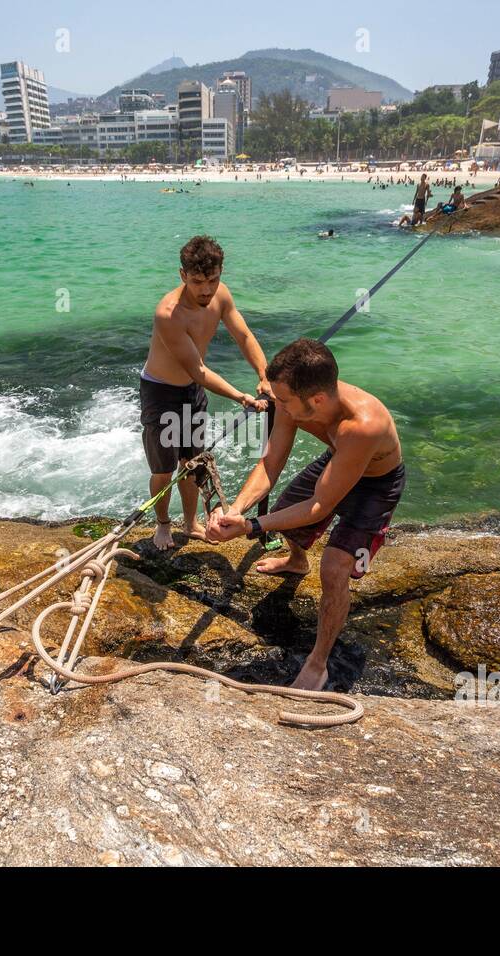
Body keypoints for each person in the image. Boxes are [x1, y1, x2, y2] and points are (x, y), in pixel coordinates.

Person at [206, 339, 405, 690]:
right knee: (285, 513)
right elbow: (271, 462)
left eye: (282, 400)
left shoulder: (362, 424)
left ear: (317, 400)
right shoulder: (292, 396)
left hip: (377, 482)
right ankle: (297, 560)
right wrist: (234, 511)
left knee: (333, 568)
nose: (274, 403)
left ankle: (318, 662)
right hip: (339, 459)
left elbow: (318, 506)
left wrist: (251, 526)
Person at [142, 235, 270, 551]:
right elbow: (197, 369)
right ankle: (162, 525)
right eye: (198, 281)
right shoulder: (168, 314)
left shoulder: (220, 295)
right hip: (161, 393)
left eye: (212, 280)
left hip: (192, 391)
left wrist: (264, 375)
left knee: (193, 463)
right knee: (163, 469)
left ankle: (190, 523)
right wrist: (241, 396)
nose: (206, 290)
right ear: (183, 275)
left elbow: (243, 335)